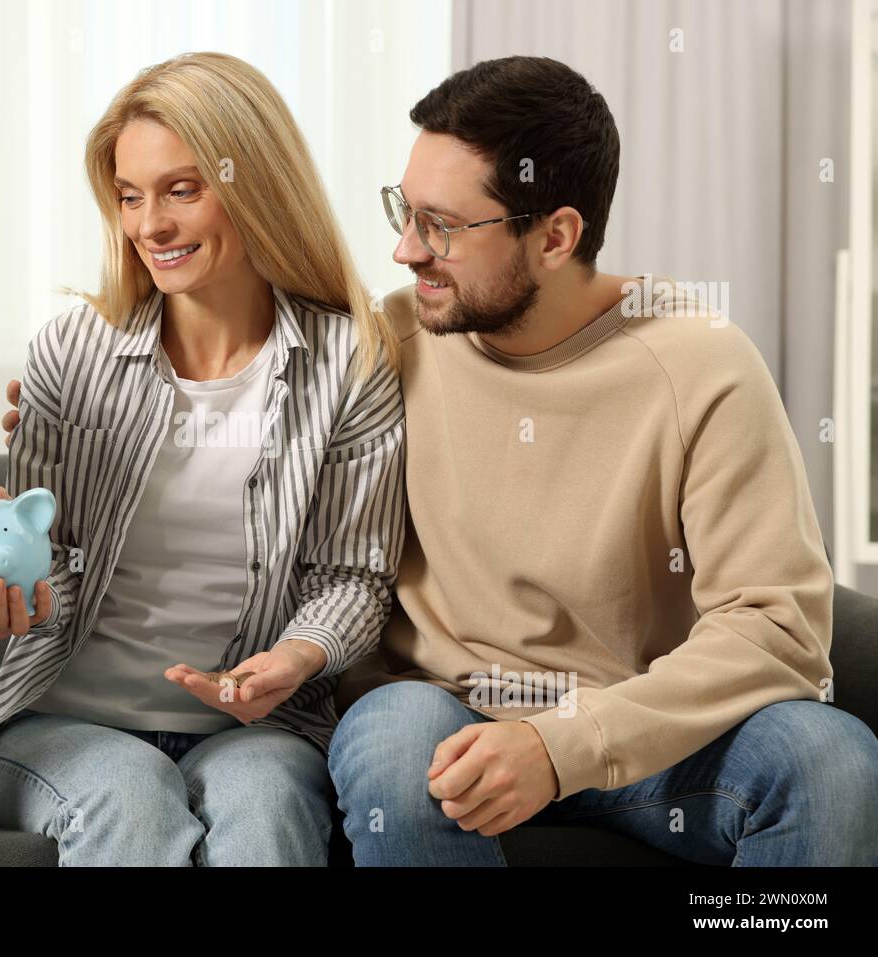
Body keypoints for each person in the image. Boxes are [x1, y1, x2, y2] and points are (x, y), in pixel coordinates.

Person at [330, 55, 878, 866]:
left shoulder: (701, 364)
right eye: (403, 212)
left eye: (442, 225)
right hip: (446, 715)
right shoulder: (391, 341)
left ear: (555, 236)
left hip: (647, 731)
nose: (408, 250)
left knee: (828, 761)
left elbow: (778, 628)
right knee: (395, 746)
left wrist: (564, 745)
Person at [0, 52, 407, 866]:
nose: (149, 225)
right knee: (132, 803)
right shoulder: (73, 350)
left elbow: (352, 577)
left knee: (265, 814)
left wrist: (296, 659)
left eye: (181, 190)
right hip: (67, 718)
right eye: (129, 196)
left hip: (256, 727)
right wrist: (10, 588)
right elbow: (51, 553)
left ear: (258, 183)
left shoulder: (350, 360)